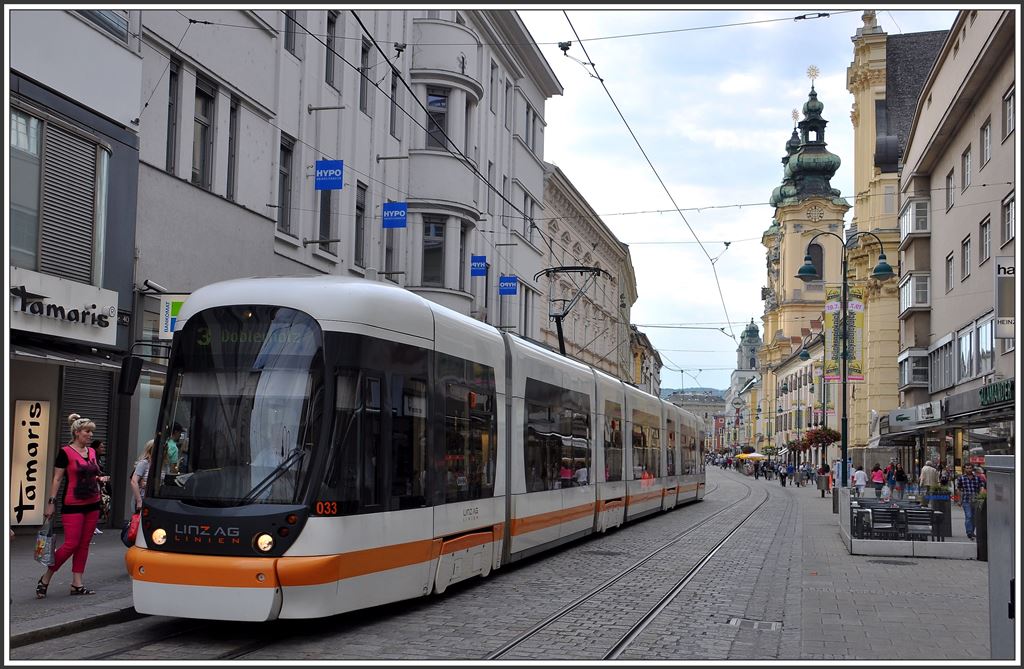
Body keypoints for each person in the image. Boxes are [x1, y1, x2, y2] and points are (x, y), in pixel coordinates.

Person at [35, 414, 111, 598]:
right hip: (72, 504)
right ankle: (46, 577)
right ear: (77, 432)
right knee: (71, 544)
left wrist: (100, 479)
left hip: (92, 503)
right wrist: (50, 503)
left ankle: (77, 584)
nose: (90, 435)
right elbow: (57, 478)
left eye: (91, 431)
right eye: (87, 431)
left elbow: (93, 473)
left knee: (84, 544)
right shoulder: (65, 452)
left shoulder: (92, 452)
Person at [955, 464, 985, 540]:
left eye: (970, 468)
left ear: (972, 469)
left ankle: (972, 531)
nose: (968, 469)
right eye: (967, 468)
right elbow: (958, 489)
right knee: (969, 516)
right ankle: (969, 532)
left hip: (975, 500)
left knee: (974, 517)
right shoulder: (961, 478)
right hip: (966, 500)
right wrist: (959, 500)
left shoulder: (977, 478)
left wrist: (980, 496)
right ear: (964, 469)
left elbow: (981, 487)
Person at [130, 439, 155, 513]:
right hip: (143, 499)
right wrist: (139, 501)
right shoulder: (144, 463)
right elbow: (134, 481)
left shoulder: (163, 465)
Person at [92, 439, 109, 534]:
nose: (103, 449)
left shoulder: (99, 458)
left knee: (99, 505)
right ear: (96, 448)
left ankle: (94, 525)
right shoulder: (92, 457)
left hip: (99, 484)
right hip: (94, 484)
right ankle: (92, 526)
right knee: (95, 505)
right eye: (101, 447)